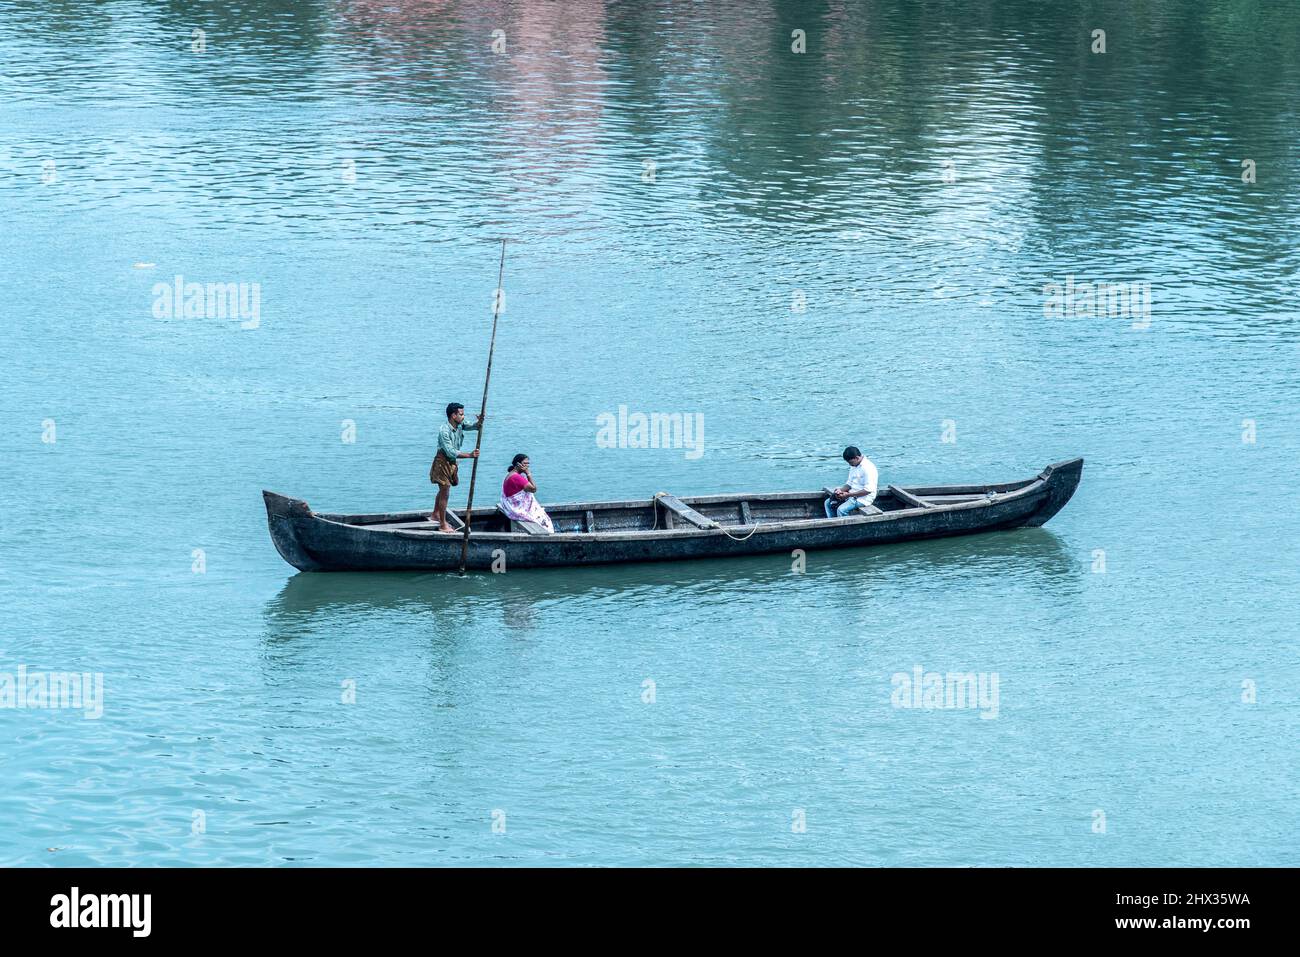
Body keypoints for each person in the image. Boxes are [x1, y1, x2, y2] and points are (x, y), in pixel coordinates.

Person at [429, 402, 483, 531]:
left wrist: (479, 423)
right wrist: (469, 455)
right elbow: (450, 452)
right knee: (445, 492)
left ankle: (435, 514)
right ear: (453, 415)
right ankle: (442, 524)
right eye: (461, 414)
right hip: (442, 462)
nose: (463, 417)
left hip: (452, 462)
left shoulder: (460, 425)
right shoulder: (444, 430)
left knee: (443, 490)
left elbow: (473, 426)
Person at [498, 454, 554, 532]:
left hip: (509, 505)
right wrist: (528, 473)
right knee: (544, 520)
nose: (527, 465)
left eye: (528, 463)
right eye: (525, 463)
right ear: (518, 464)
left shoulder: (510, 474)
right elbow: (534, 489)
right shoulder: (516, 477)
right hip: (515, 508)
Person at [825, 445, 878, 518]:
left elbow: (868, 490)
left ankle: (845, 528)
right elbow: (849, 484)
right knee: (827, 503)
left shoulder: (868, 468)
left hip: (864, 498)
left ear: (857, 458)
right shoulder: (854, 465)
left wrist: (848, 495)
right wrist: (840, 490)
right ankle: (833, 522)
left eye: (850, 462)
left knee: (841, 510)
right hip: (851, 494)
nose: (850, 464)